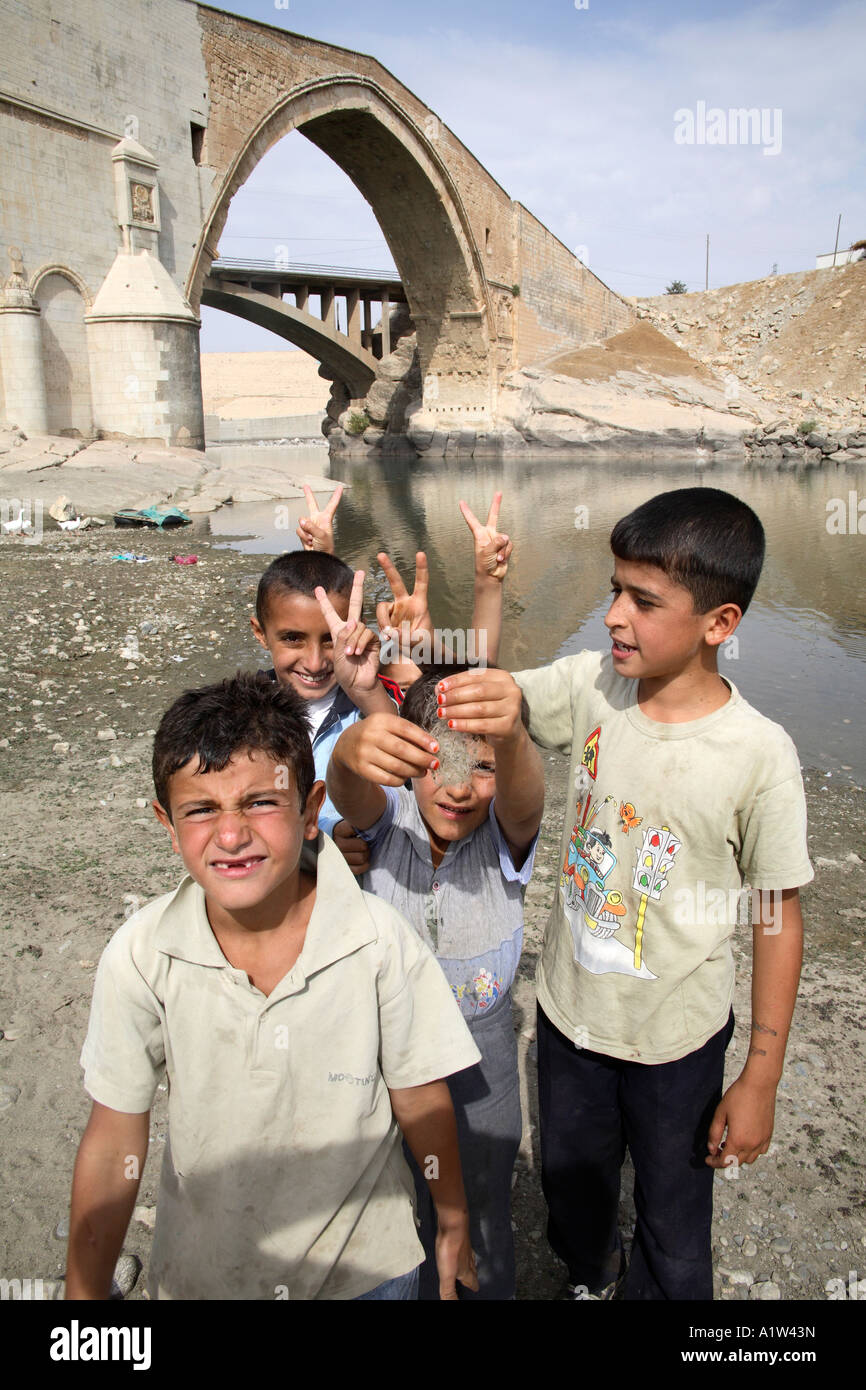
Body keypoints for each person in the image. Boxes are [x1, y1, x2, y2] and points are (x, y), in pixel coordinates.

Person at [436, 487, 813, 1301]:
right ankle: (589, 1271)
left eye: (643, 601)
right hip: (570, 1020)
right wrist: (484, 680)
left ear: (720, 625)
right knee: (573, 1183)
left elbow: (778, 914)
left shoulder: (759, 756)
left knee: (677, 1228)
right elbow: (504, 697)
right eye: (614, 590)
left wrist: (761, 1076)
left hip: (680, 1041)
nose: (613, 616)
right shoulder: (593, 684)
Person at [66, 672, 481, 1301]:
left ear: (312, 810)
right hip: (210, 1273)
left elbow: (420, 1096)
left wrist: (451, 1217)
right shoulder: (143, 954)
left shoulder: (377, 940)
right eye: (201, 810)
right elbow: (116, 1132)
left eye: (261, 802)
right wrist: (84, 1289)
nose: (231, 836)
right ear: (168, 824)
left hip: (367, 1271)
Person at [326, 661, 545, 1299]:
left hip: (483, 1052)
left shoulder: (507, 834)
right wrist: (347, 752)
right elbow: (350, 791)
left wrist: (515, 741)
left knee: (480, 1203)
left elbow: (528, 796)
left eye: (483, 766)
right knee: (395, 1199)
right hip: (387, 1047)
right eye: (437, 761)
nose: (456, 787)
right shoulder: (386, 819)